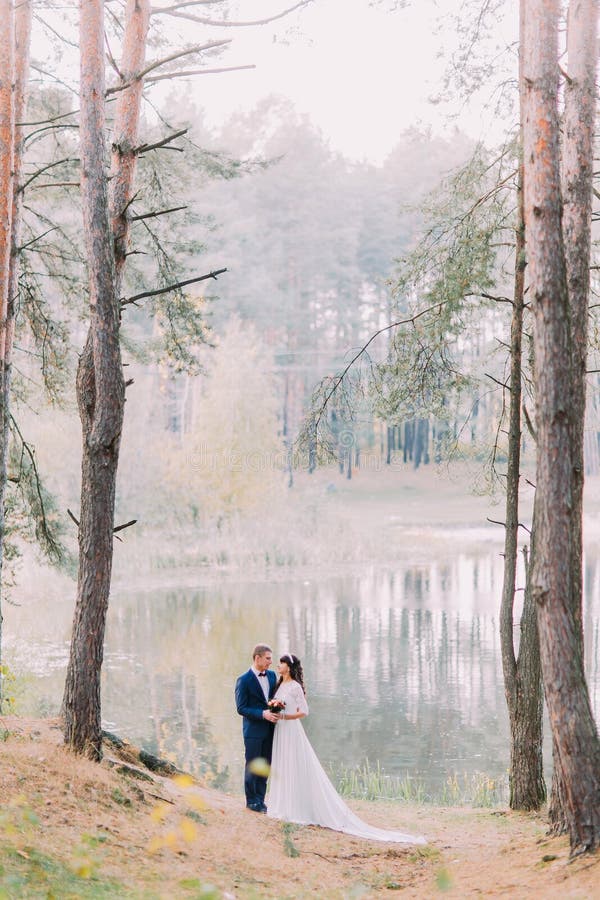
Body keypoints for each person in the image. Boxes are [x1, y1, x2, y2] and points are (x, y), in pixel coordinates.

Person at [266, 653, 426, 844]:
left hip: (291, 730)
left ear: (289, 667)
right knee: (282, 765)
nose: (278, 665)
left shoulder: (295, 687)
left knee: (293, 764)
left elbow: (304, 711)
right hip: (280, 731)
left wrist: (286, 716)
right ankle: (281, 805)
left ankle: (295, 809)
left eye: (281, 663)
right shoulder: (279, 684)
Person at [235, 643, 279, 813]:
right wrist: (262, 714)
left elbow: (276, 698)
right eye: (268, 658)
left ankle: (261, 800)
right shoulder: (243, 680)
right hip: (253, 732)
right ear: (257, 658)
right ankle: (251, 801)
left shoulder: (272, 676)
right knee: (253, 765)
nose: (270, 662)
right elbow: (241, 708)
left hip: (270, 730)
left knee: (265, 765)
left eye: (271, 659)